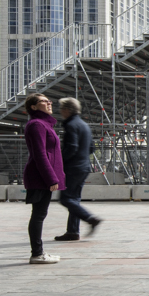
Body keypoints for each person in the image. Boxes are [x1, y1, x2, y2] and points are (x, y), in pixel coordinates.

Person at [23, 93, 65, 264]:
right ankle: (37, 254)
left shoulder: (44, 124)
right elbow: (40, 154)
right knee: (38, 215)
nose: (49, 103)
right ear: (33, 107)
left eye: (49, 100)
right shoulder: (36, 125)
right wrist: (51, 178)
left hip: (43, 176)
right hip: (39, 176)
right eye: (43, 101)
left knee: (40, 214)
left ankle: (39, 252)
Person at [55, 97, 101, 241]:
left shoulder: (71, 125)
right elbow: (92, 147)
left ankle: (90, 218)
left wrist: (60, 162)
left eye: (62, 109)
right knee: (74, 199)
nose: (60, 112)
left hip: (73, 168)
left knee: (65, 199)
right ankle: (73, 231)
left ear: (68, 110)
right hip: (84, 166)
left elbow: (72, 147)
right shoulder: (84, 125)